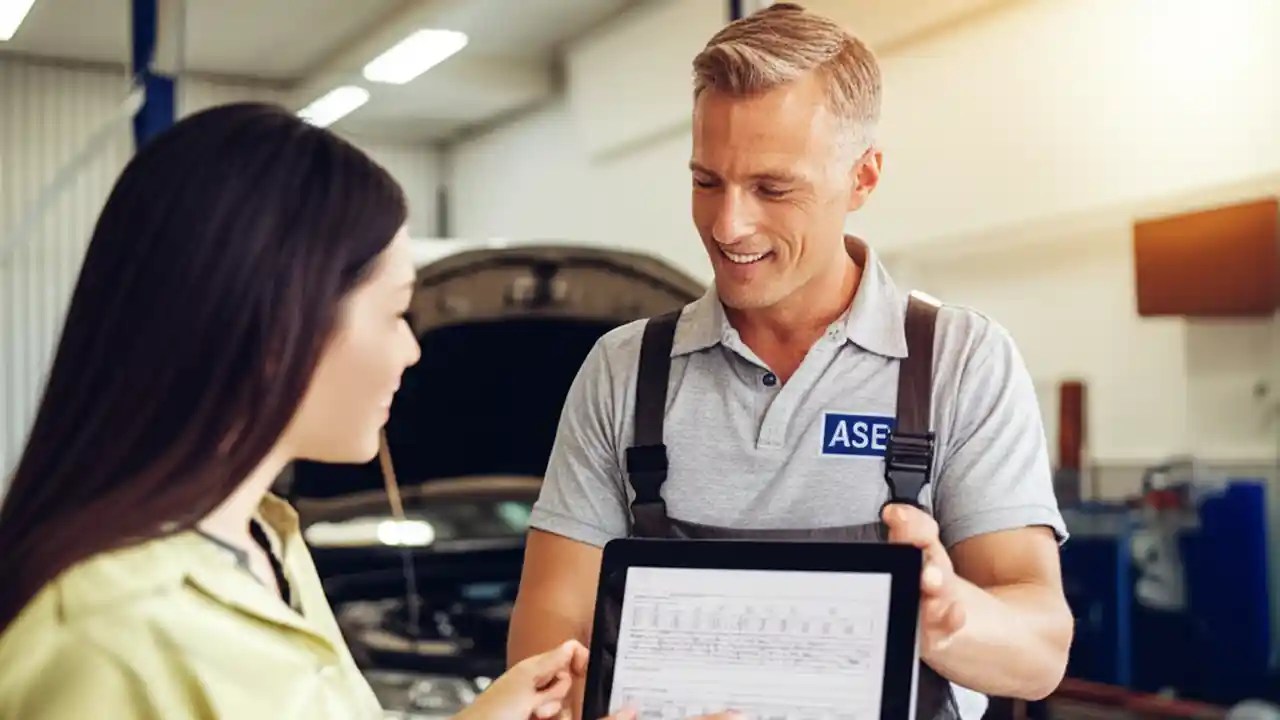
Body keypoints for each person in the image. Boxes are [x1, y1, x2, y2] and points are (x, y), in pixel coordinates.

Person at [0, 102, 729, 720]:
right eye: (394, 314)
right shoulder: (98, 637)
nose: (413, 352)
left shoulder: (267, 542)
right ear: (278, 328)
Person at [509, 4, 1074, 719]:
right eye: (706, 180)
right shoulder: (624, 371)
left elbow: (1041, 654)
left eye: (772, 189)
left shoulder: (960, 363)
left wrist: (951, 617)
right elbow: (545, 655)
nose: (727, 225)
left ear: (863, 178)